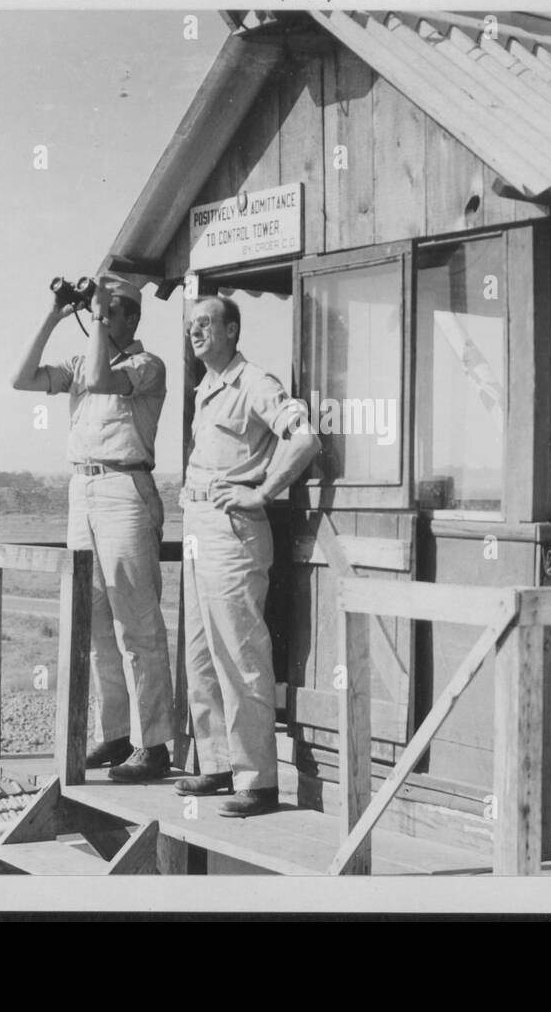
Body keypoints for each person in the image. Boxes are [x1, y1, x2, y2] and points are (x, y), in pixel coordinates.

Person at [11, 275, 174, 782]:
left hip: (125, 489)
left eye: (112, 310)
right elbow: (22, 379)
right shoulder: (83, 361)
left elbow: (103, 379)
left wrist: (96, 320)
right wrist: (57, 314)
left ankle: (156, 744)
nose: (102, 316)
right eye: (102, 310)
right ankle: (117, 734)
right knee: (98, 623)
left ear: (130, 317)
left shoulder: (146, 366)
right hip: (82, 490)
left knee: (137, 624)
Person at [174, 295, 320, 818]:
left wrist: (262, 493)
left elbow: (303, 439)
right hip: (198, 527)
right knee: (200, 652)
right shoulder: (208, 389)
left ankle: (257, 781)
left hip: (232, 531)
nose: (197, 332)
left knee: (240, 653)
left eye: (207, 323)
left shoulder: (254, 383)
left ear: (232, 330)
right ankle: (216, 764)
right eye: (193, 325)